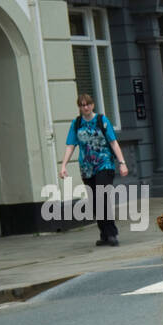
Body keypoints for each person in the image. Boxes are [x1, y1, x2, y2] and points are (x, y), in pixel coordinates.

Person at [58, 93, 128, 246]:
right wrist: (63, 165)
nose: (85, 107)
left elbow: (113, 142)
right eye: (82, 105)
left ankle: (112, 233)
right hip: (87, 168)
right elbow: (70, 145)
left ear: (92, 105)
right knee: (95, 202)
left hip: (104, 164)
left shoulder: (101, 120)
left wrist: (122, 163)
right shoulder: (76, 124)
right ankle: (104, 233)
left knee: (102, 197)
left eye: (88, 104)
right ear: (79, 107)